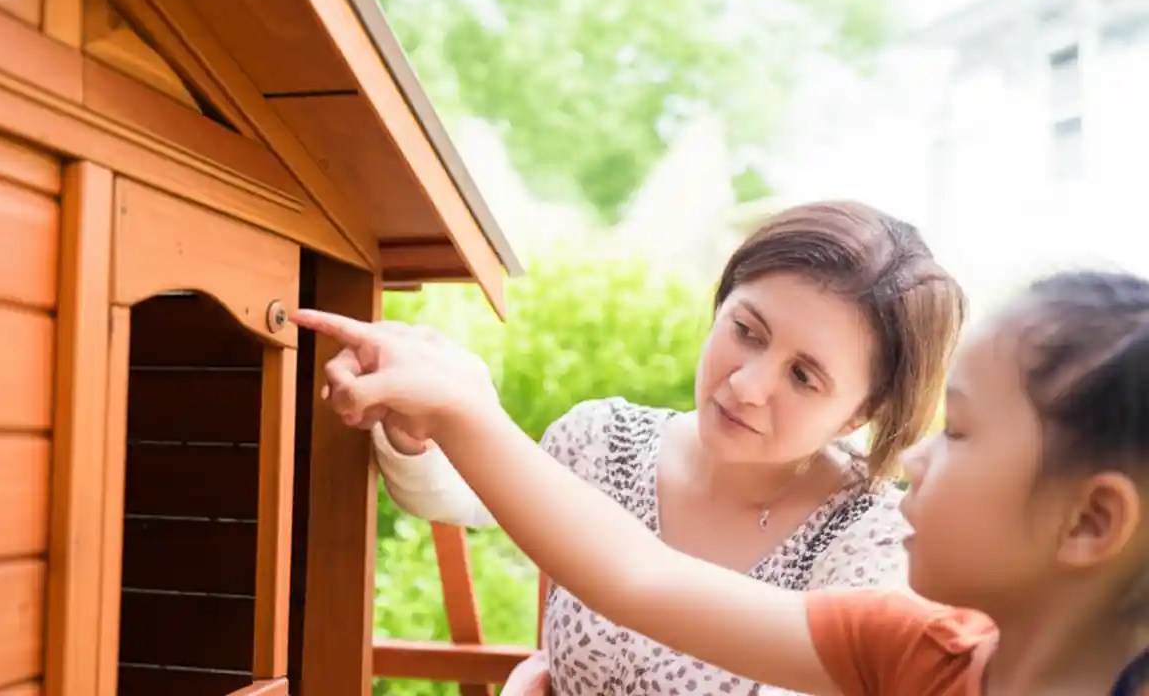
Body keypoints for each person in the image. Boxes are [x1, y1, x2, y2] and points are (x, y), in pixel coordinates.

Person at [298, 268, 1149, 695]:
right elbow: (640, 577)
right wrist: (459, 410)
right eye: (745, 330)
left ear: (1091, 522)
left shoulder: (871, 551)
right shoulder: (912, 652)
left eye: (958, 432)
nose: (915, 459)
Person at [328, 201, 966, 694]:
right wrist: (418, 428)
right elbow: (471, 494)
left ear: (862, 412)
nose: (747, 386)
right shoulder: (605, 439)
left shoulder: (875, 550)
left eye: (804, 377)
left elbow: (640, 580)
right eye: (746, 330)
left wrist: (467, 411)